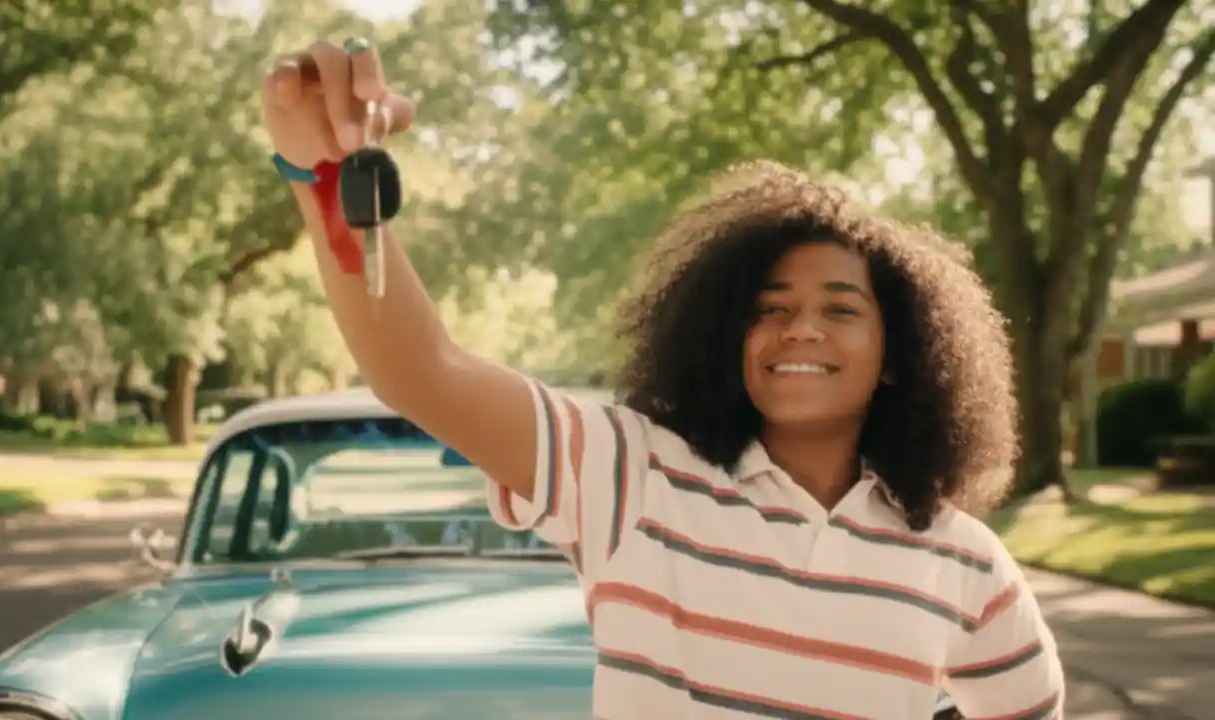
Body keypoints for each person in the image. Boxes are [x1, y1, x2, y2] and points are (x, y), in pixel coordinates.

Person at [262, 37, 1064, 720]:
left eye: (841, 308)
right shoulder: (630, 477)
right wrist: (326, 182)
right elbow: (422, 373)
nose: (801, 328)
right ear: (726, 336)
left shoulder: (964, 561)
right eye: (769, 307)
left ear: (897, 357)